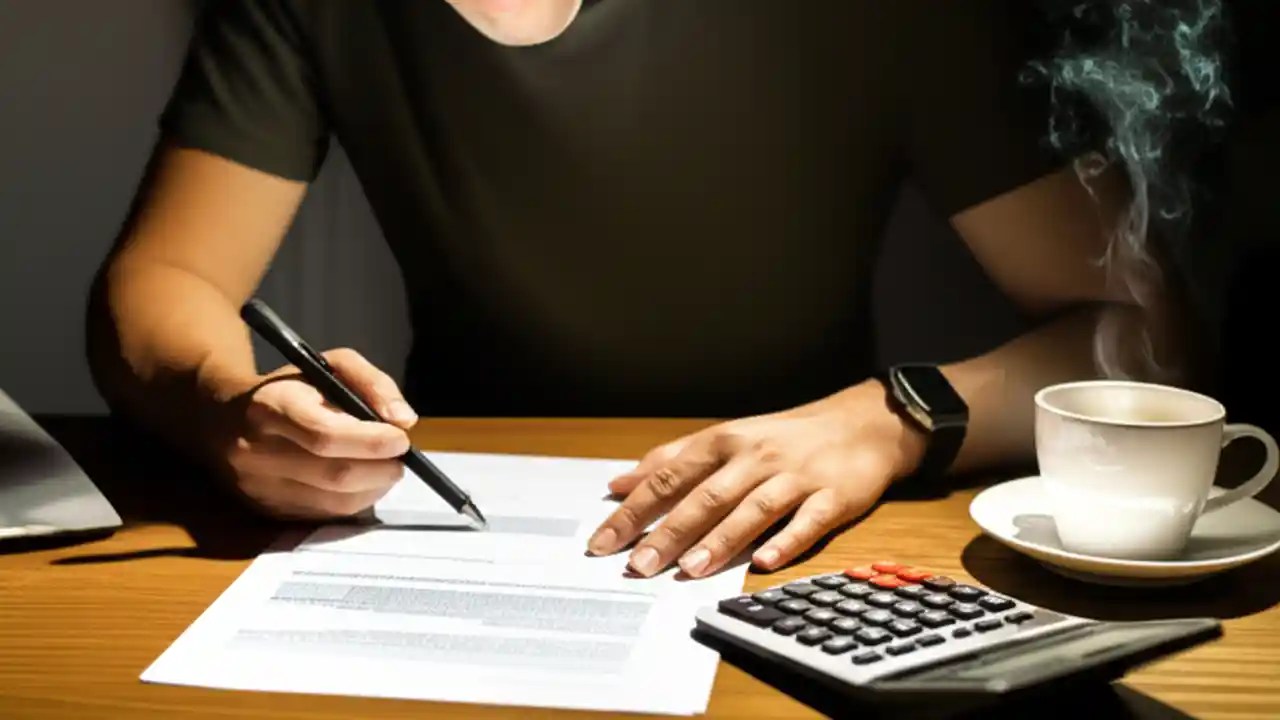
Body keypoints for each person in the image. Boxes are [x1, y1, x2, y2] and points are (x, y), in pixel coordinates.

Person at [86, 0, 1178, 581]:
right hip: (446, 531)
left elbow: (1144, 339)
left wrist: (891, 419)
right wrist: (232, 408)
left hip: (801, 526)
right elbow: (159, 284)